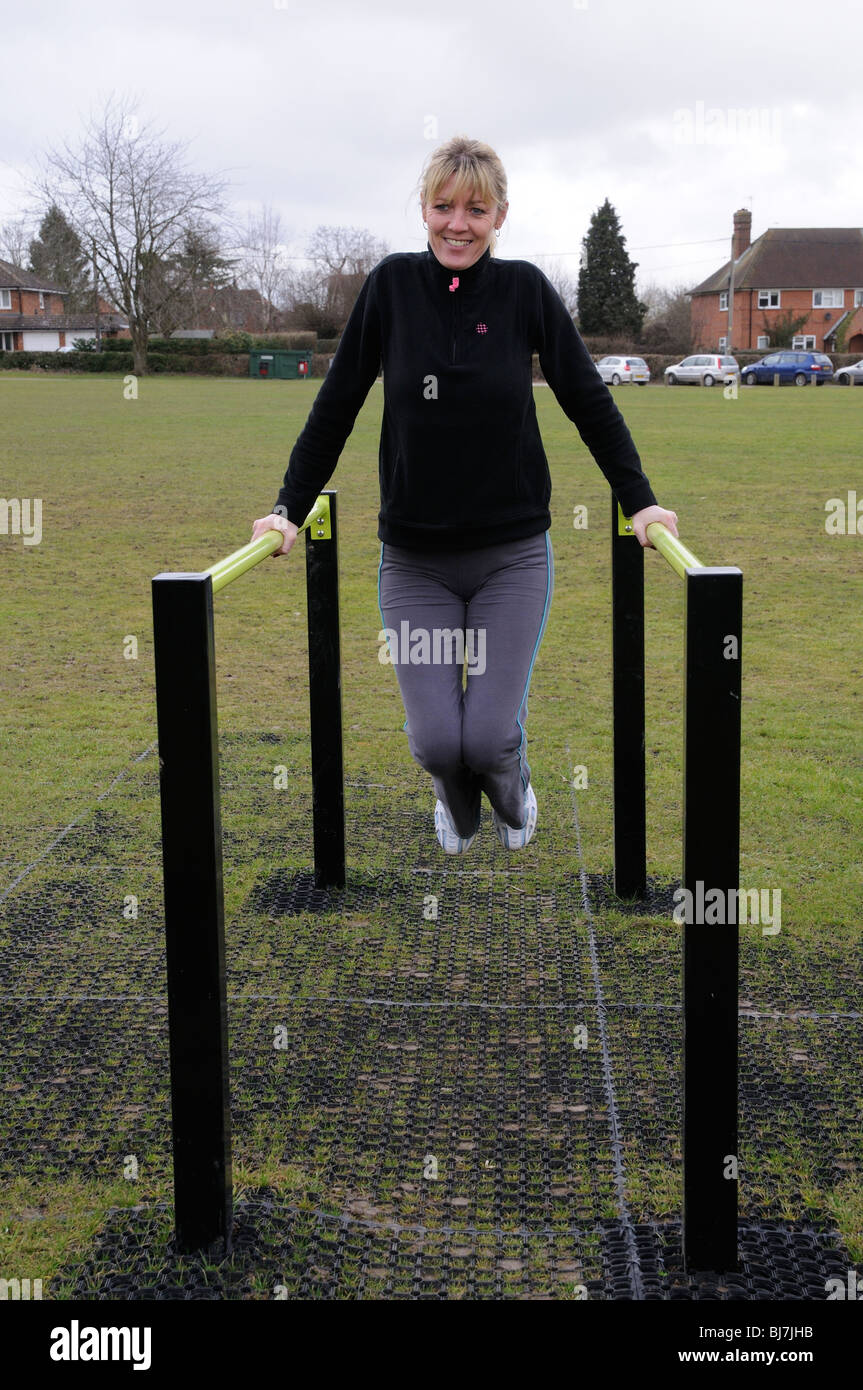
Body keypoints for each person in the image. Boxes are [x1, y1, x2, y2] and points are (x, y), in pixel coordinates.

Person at [251, 135, 678, 855]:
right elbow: (337, 403)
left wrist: (638, 501)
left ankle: (511, 785)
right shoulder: (391, 287)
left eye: (474, 210)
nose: (458, 223)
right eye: (443, 207)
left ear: (499, 216)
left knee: (483, 736)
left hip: (510, 557)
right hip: (415, 561)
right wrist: (287, 507)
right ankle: (457, 802)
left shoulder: (523, 292)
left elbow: (586, 399)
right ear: (423, 209)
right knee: (434, 743)